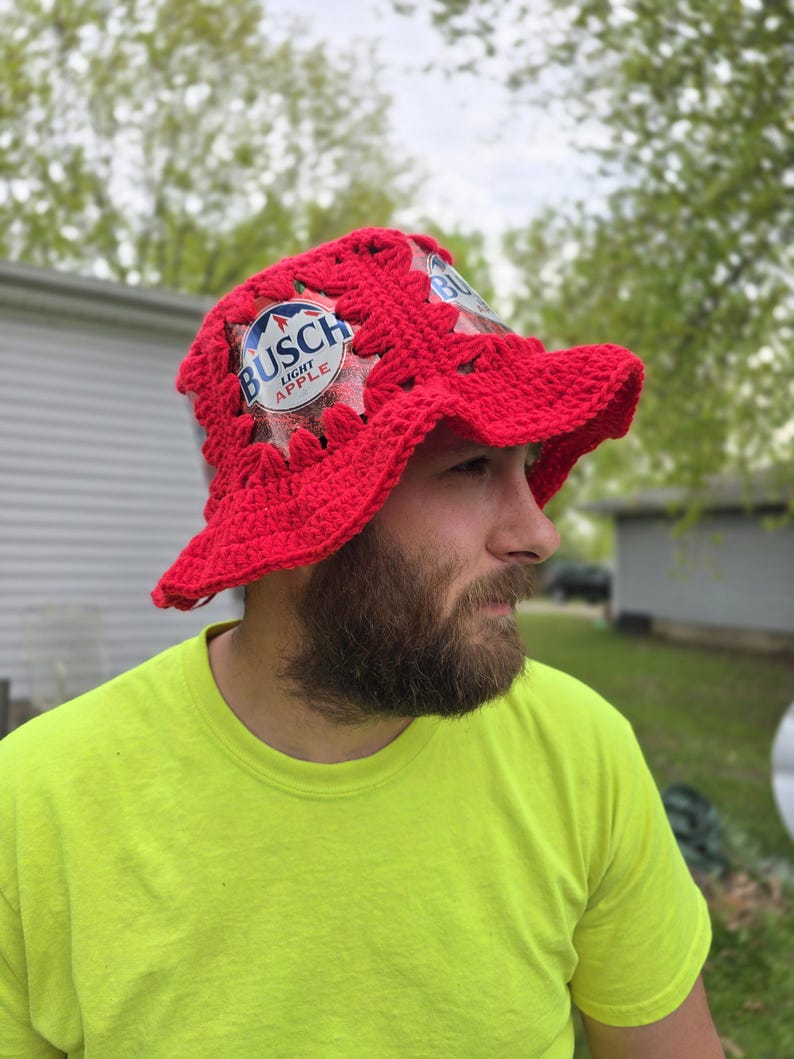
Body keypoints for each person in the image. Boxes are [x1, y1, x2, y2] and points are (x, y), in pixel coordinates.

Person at [0, 227, 723, 1058]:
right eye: (469, 467)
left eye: (524, 468)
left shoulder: (582, 753)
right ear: (305, 525)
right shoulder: (35, 805)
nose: (540, 533)